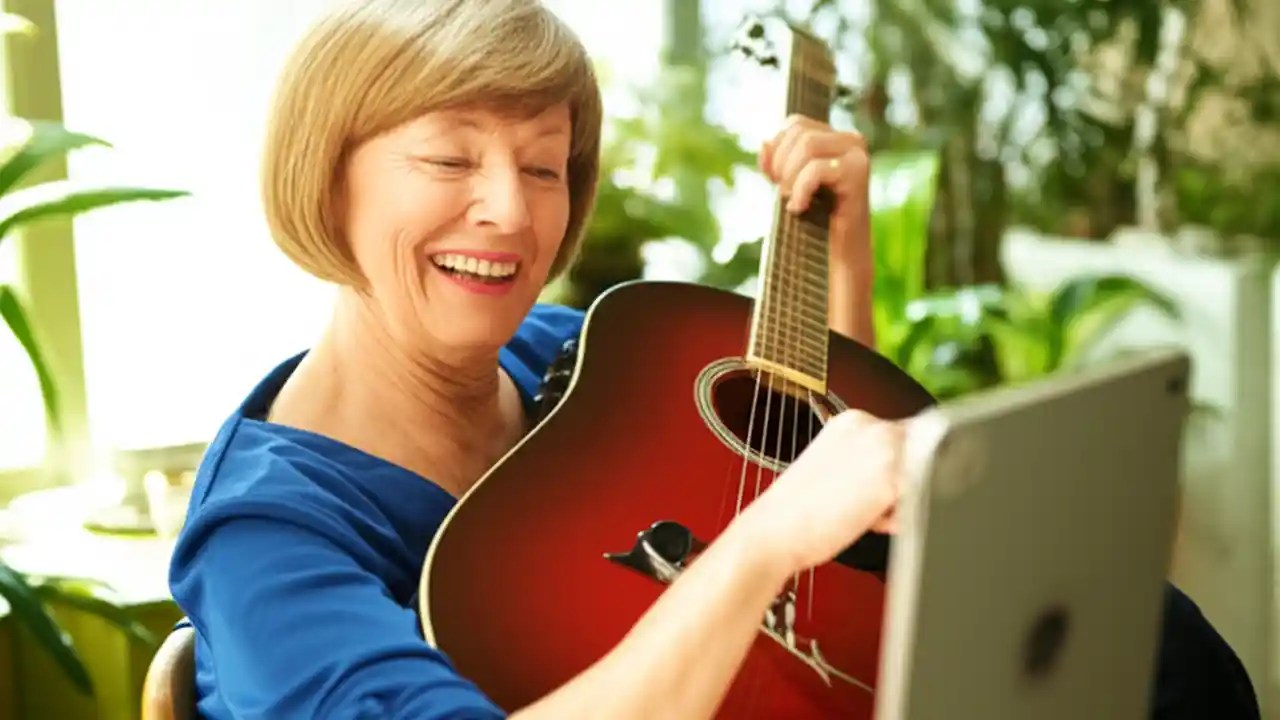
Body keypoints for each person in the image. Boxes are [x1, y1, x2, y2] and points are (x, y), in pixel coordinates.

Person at [167, 0, 1260, 718]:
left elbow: (812, 492)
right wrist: (759, 544)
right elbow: (770, 526)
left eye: (544, 167)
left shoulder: (577, 348)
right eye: (447, 156)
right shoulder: (266, 535)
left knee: (1161, 648)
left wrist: (839, 270)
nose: (506, 209)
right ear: (327, 181)